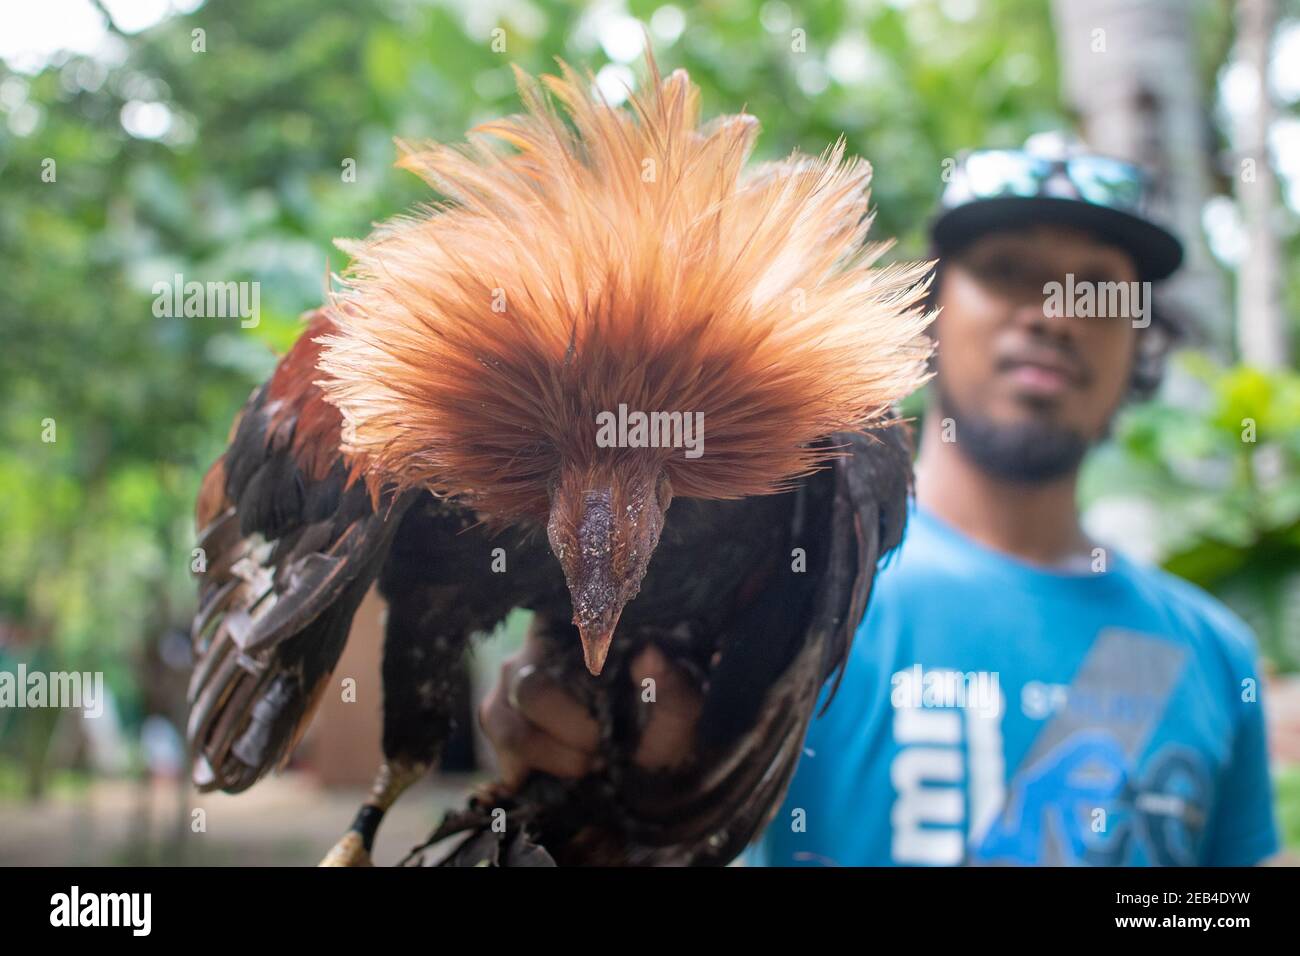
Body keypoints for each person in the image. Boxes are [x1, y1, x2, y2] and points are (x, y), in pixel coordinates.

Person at [479, 140, 1281, 866]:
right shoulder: (784, 577)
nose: (1054, 315)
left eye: (1098, 290)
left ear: (1141, 341)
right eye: (1006, 271)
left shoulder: (1211, 656)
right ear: (927, 312)